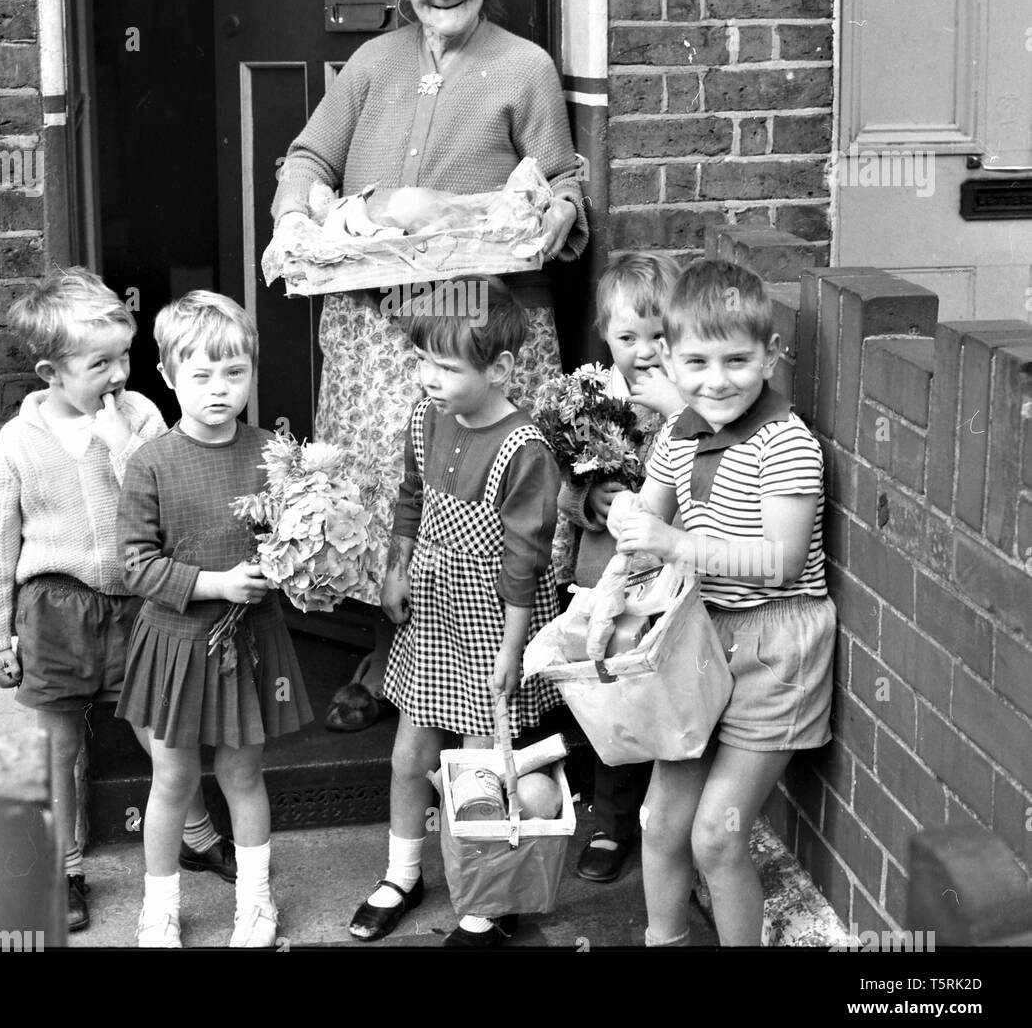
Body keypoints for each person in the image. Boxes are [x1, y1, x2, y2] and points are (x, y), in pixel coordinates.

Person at [271, 0, 587, 731]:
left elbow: (560, 175)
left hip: (474, 326)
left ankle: (494, 661)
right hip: (378, 327)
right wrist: (294, 216)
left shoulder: (524, 67)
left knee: (479, 490)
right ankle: (389, 654)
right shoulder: (373, 64)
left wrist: (560, 207)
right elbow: (308, 158)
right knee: (388, 484)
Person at [0, 268, 232, 936]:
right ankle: (62, 866)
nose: (119, 373)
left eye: (124, 357)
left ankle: (196, 835)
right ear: (51, 372)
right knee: (56, 750)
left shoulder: (142, 417)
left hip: (139, 608)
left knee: (166, 736)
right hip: (53, 612)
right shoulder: (18, 441)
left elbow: (169, 498)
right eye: (99, 364)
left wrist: (124, 449)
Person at [606, 258, 836, 947]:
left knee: (716, 836)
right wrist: (619, 562)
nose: (717, 379)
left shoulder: (787, 444)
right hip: (700, 638)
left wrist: (671, 543)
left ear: (770, 356)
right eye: (698, 361)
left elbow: (780, 562)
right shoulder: (681, 434)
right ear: (670, 360)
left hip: (775, 647)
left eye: (737, 359)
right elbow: (646, 528)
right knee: (662, 821)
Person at [347, 279, 561, 949]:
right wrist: (394, 568)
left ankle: (483, 905)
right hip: (434, 612)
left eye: (445, 367)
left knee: (477, 772)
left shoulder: (524, 449)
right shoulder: (426, 418)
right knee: (411, 753)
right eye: (421, 363)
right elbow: (410, 499)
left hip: (497, 619)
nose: (427, 379)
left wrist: (512, 651)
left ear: (497, 370)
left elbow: (525, 561)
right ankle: (403, 871)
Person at [115, 291, 313, 948]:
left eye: (234, 372)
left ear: (252, 370)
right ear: (168, 377)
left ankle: (255, 903)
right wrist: (215, 582)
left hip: (249, 643)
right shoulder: (150, 462)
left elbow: (298, 541)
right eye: (199, 375)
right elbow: (136, 567)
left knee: (242, 774)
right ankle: (160, 907)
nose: (219, 389)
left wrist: (295, 563)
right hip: (175, 642)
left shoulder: (273, 452)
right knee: (172, 776)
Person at [556, 251, 684, 885]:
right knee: (608, 698)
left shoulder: (686, 402)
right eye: (627, 336)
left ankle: (657, 819)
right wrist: (590, 499)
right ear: (605, 333)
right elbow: (563, 494)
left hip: (657, 585)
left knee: (657, 697)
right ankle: (607, 819)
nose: (643, 350)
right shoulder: (591, 400)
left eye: (658, 336)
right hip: (597, 577)